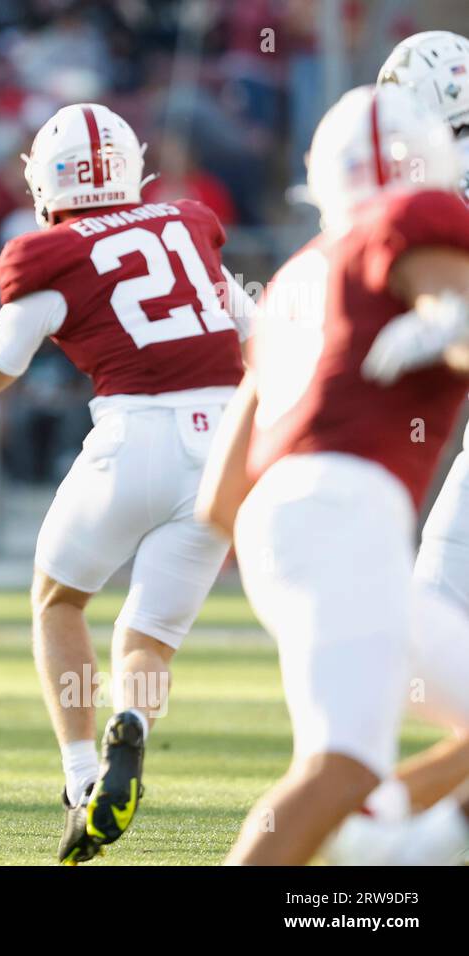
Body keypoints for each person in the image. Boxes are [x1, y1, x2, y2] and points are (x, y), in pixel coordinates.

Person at [0, 103, 254, 863]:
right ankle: (135, 730)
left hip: (134, 437)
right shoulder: (188, 223)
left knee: (59, 599)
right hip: (223, 447)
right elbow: (256, 335)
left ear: (47, 179)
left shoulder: (46, 251)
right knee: (147, 638)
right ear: (131, 168)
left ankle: (83, 776)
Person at [196, 84, 469, 865]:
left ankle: (398, 853)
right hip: (345, 507)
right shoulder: (420, 216)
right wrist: (450, 326)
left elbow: (220, 496)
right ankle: (392, 850)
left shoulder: (296, 278)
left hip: (291, 520)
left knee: (354, 774)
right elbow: (457, 321)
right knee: (341, 762)